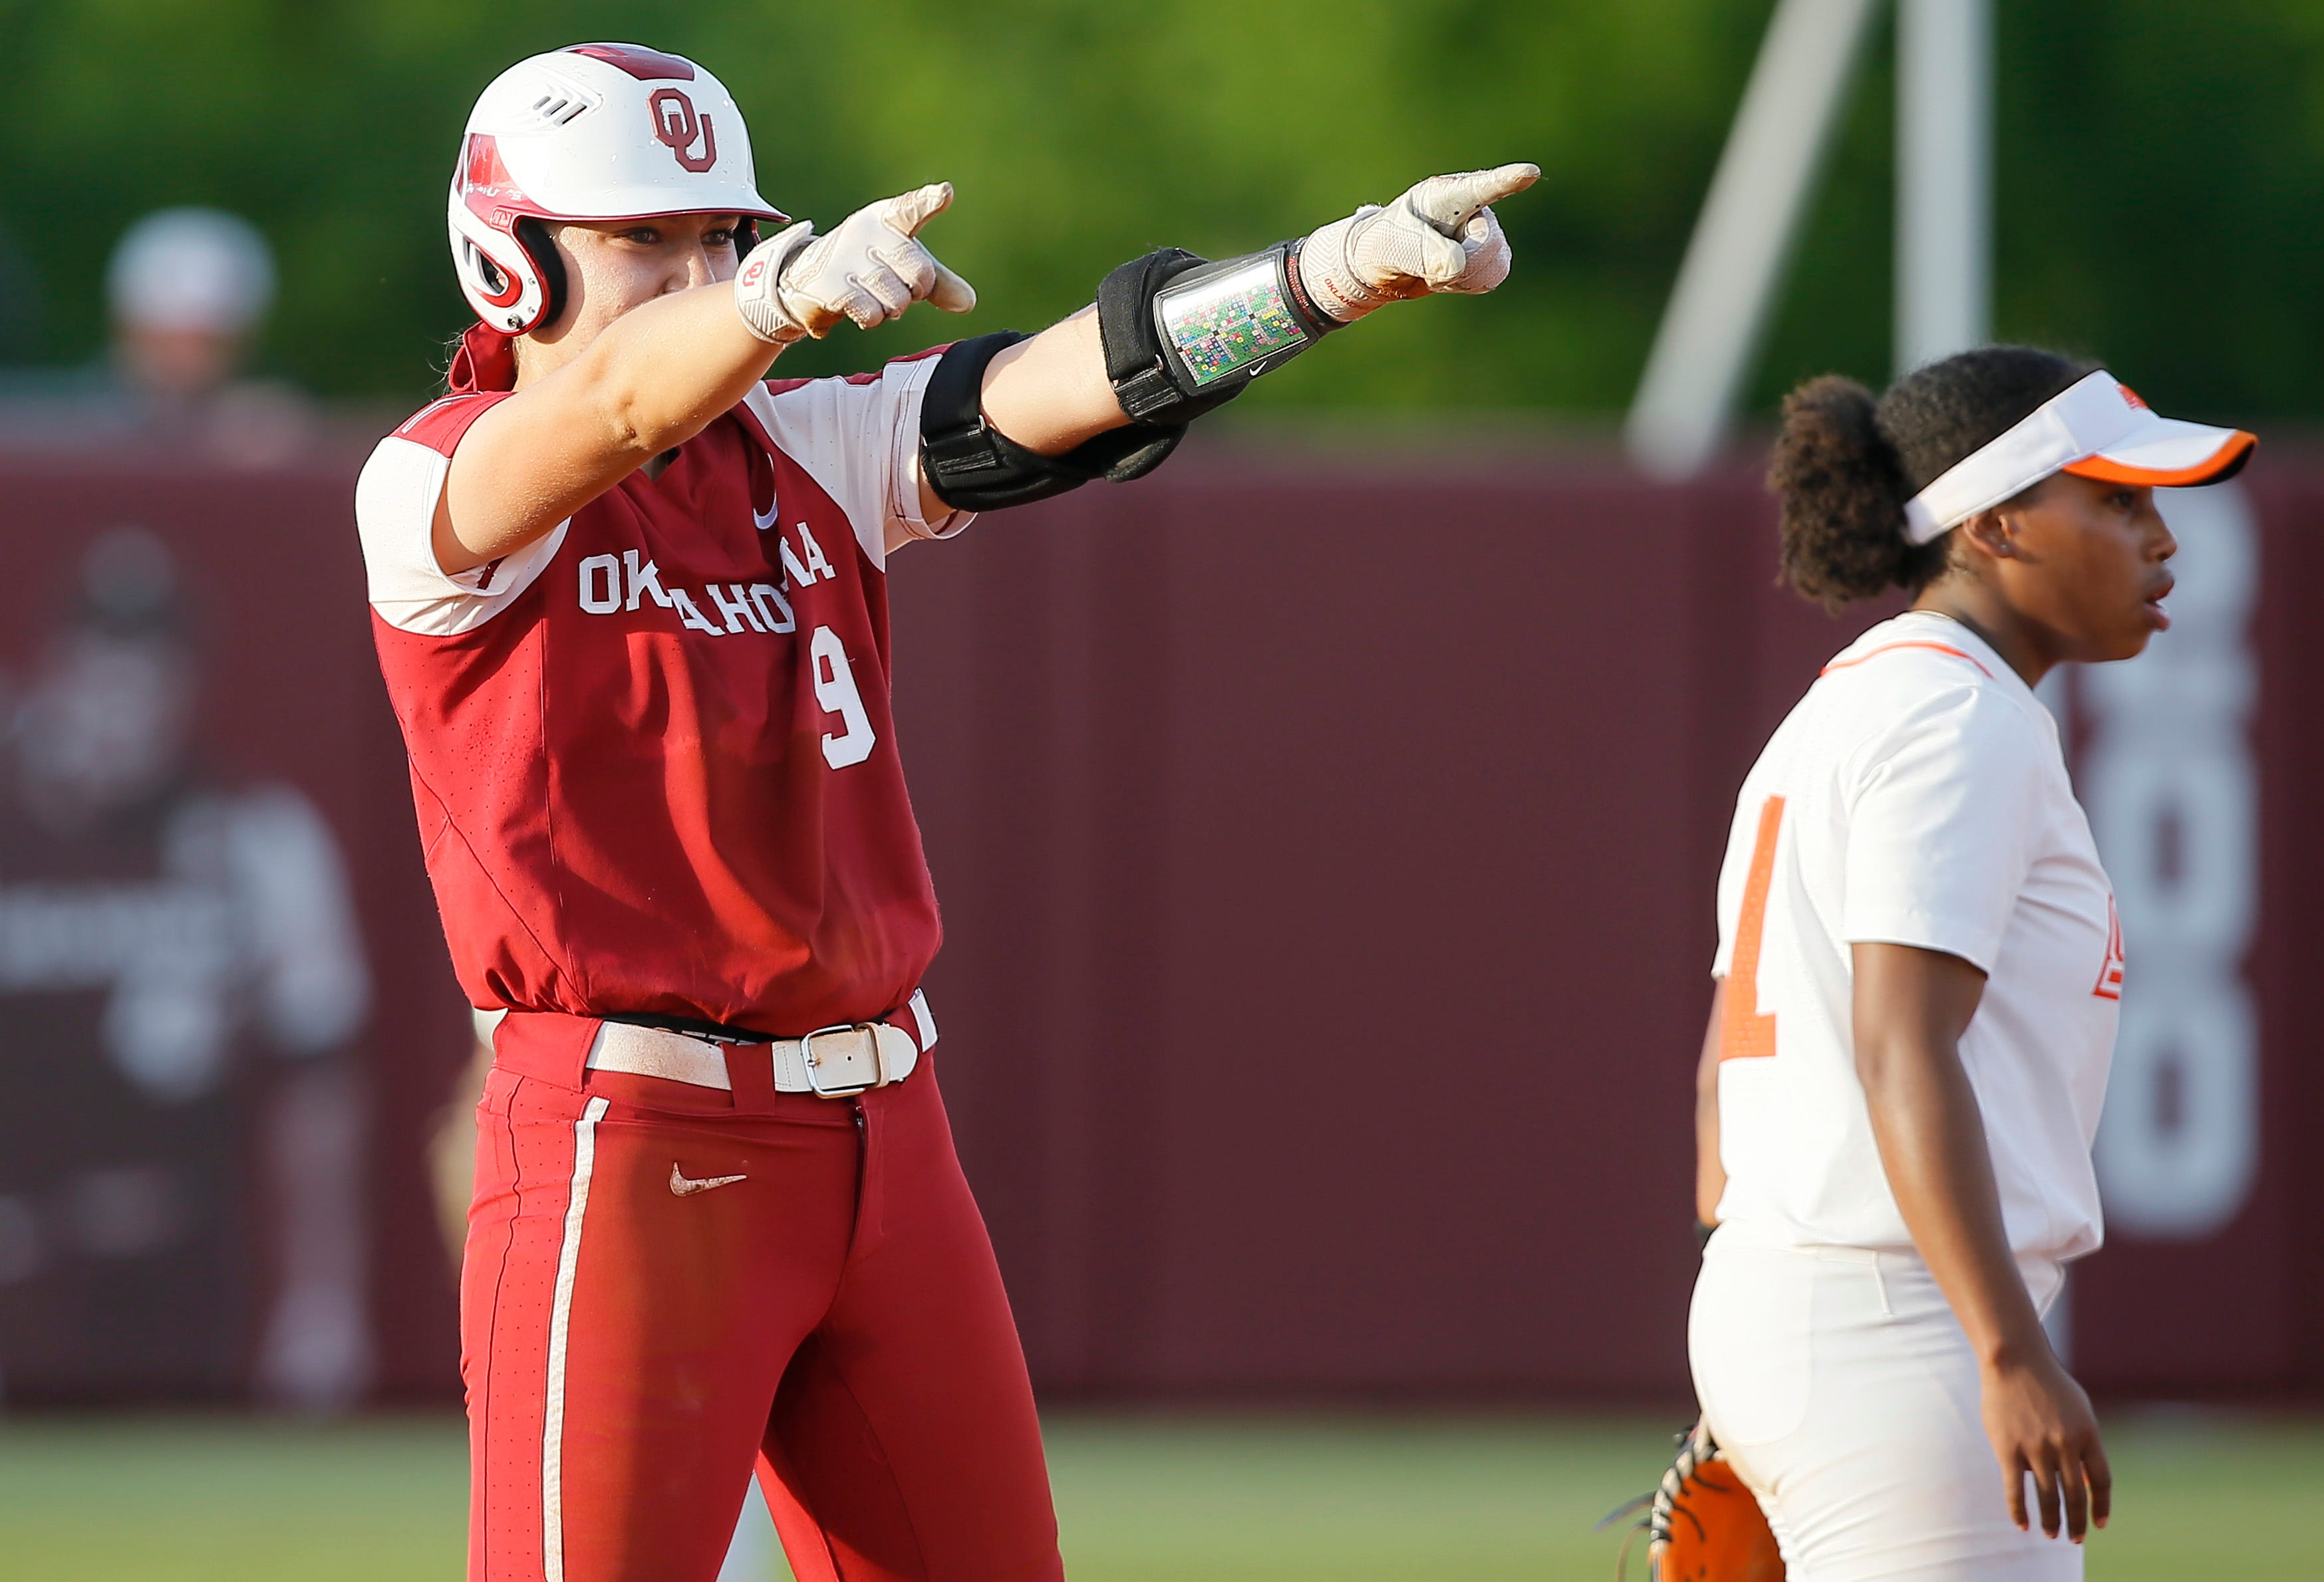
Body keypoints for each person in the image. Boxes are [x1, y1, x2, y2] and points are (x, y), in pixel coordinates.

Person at [356, 41, 1535, 1582]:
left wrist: (1328, 274)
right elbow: (609, 424)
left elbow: (1063, 379)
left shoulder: (792, 451)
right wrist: (773, 298)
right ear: (506, 262)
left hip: (885, 1127)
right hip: (633, 1131)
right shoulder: (432, 480)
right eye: (643, 239)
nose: (695, 268)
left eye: (717, 235)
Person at [1687, 347, 2255, 1580]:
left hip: (1809, 1301)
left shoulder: (1844, 706)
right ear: (1994, 520)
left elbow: (1720, 1076)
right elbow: (1900, 1044)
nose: (2162, 540)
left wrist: (1766, 1322)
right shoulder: (1956, 717)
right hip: (1899, 1320)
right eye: (2117, 501)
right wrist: (2004, 1351)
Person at [0, 528, 372, 1411]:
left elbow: (319, 1080)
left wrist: (324, 1297)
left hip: (178, 1274)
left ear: (188, 686)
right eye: (102, 665)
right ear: (59, 667)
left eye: (149, 671)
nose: (122, 699)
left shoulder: (258, 837)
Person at [0, 208, 311, 465]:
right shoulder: (53, 426)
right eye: (168, 339)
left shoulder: (266, 430)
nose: (186, 359)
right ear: (126, 328)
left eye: (208, 343)